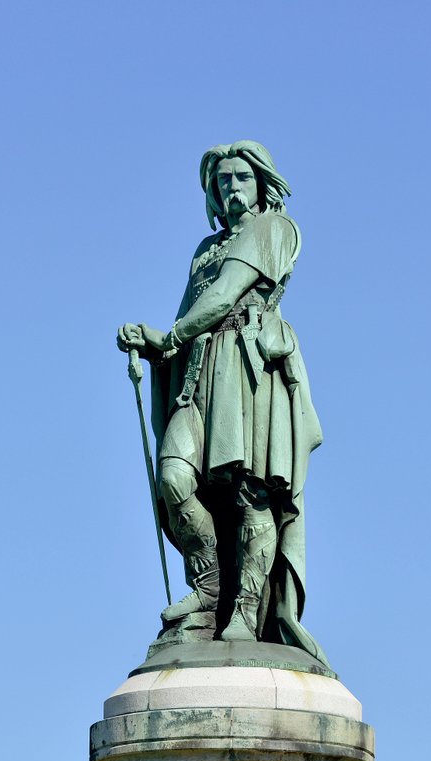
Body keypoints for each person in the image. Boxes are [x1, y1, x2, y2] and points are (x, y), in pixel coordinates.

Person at [118, 140, 328, 665]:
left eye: (241, 178)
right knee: (174, 477)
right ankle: (208, 589)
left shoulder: (273, 229)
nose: (231, 188)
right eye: (222, 181)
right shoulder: (204, 249)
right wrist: (157, 344)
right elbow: (190, 316)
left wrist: (169, 336)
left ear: (260, 184)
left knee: (249, 492)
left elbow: (223, 295)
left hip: (247, 367)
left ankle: (246, 611)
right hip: (198, 371)